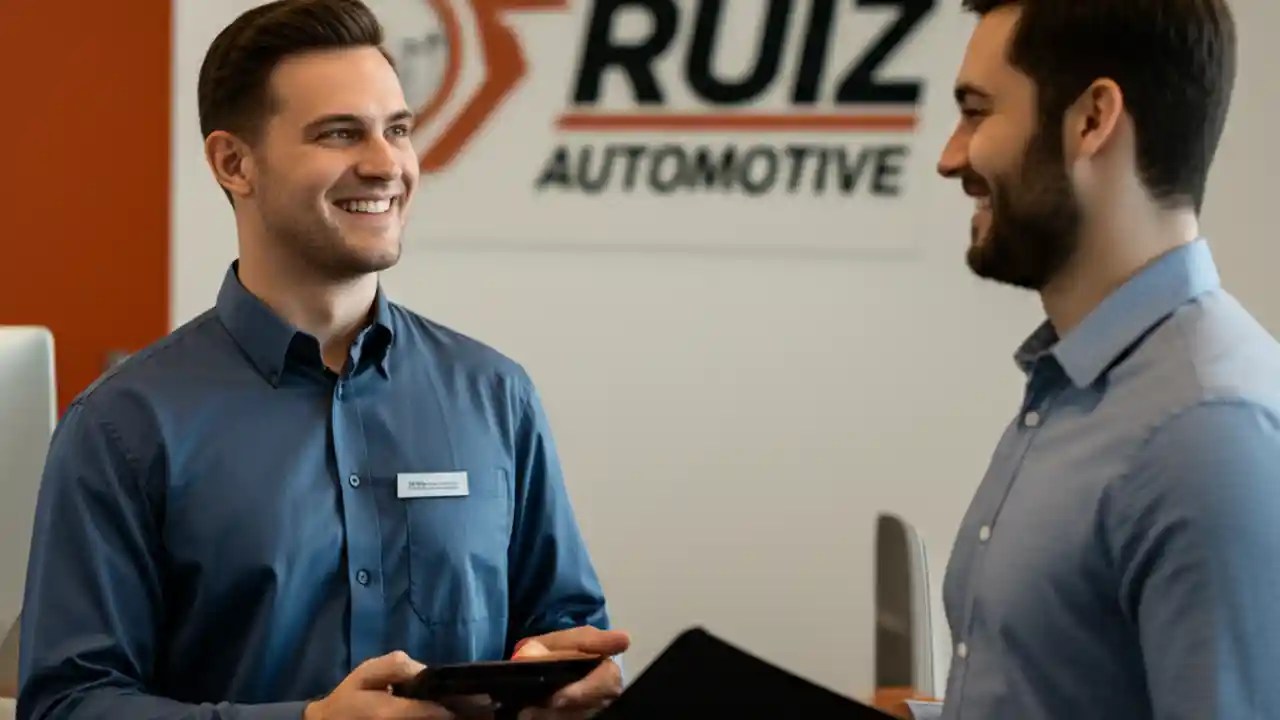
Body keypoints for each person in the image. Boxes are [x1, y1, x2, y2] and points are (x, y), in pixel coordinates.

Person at [16, 1, 628, 719]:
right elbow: (68, 705)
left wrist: (565, 670)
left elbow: (559, 624)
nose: (385, 164)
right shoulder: (123, 426)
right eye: (341, 134)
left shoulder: (495, 394)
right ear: (234, 162)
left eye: (397, 129)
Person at [936, 0, 1280, 718]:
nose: (951, 156)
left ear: (1092, 119)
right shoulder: (1076, 385)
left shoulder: (1206, 433)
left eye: (976, 112)